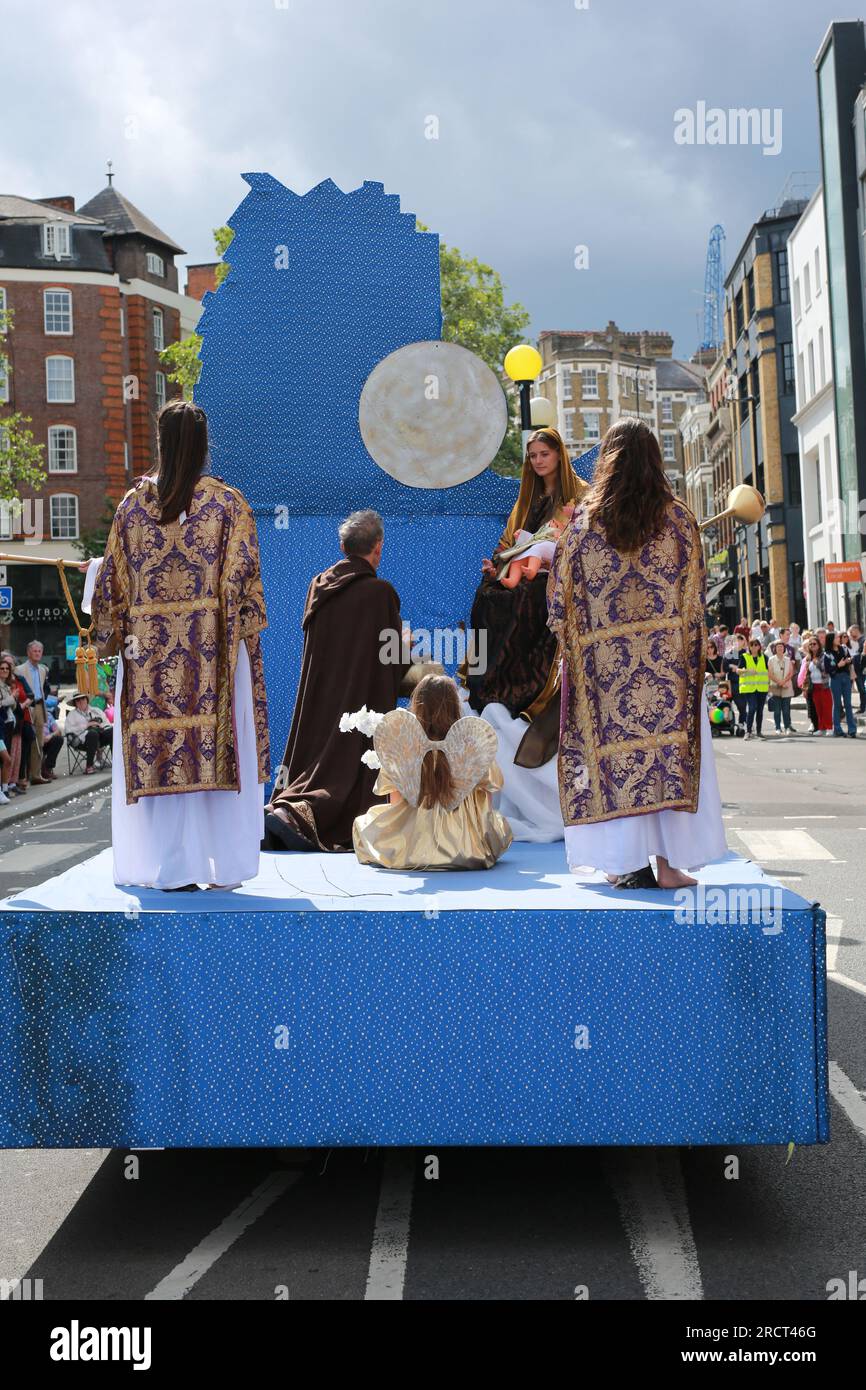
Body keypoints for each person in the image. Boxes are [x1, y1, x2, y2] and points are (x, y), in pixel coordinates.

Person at [86, 398, 269, 890]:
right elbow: (247, 594)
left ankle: (166, 866)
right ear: (205, 445)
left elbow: (110, 591)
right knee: (213, 749)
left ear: (161, 442)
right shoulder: (229, 505)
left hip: (146, 663)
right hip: (213, 660)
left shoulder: (130, 507)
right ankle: (222, 865)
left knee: (158, 753)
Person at [548, 417, 727, 889]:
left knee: (614, 761)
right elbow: (695, 596)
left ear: (607, 460)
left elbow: (559, 602)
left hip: (606, 674)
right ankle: (669, 866)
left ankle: (621, 862)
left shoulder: (583, 524)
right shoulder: (679, 519)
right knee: (668, 761)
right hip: (666, 669)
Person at [465, 427, 589, 843]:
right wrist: (498, 565)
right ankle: (493, 680)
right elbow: (507, 547)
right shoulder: (525, 503)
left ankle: (527, 682)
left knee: (530, 594)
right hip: (524, 579)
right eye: (532, 455)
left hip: (556, 586)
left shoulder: (582, 497)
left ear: (559, 455)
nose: (538, 461)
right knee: (488, 594)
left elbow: (582, 551)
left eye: (544, 454)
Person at [264, 509, 410, 853]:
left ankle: (286, 811)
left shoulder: (319, 586)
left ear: (344, 547)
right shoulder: (379, 592)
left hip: (319, 700)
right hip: (358, 703)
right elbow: (389, 659)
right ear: (377, 547)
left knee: (314, 763)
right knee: (344, 771)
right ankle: (300, 817)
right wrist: (404, 648)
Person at [353, 674, 513, 871]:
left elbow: (395, 802)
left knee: (363, 825)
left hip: (413, 847)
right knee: (500, 826)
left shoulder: (405, 747)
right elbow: (487, 801)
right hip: (468, 849)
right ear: (455, 706)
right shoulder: (472, 745)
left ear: (418, 704)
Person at [14, 640, 51, 785]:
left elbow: (43, 688)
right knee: (27, 741)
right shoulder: (19, 670)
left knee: (39, 742)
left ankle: (36, 775)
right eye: (34, 651)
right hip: (27, 708)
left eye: (39, 651)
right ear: (28, 653)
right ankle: (22, 776)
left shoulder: (43, 669)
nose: (37, 654)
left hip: (40, 706)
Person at [0, 657, 36, 793]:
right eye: (2, 667)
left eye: (8, 667)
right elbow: (3, 703)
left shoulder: (13, 683)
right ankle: (4, 787)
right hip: (3, 725)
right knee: (6, 758)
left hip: (15, 722)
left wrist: (19, 702)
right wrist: (12, 698)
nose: (5, 669)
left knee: (14, 755)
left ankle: (9, 785)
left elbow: (29, 696)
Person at [64, 692, 112, 773]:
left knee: (112, 731)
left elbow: (107, 724)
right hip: (82, 741)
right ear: (75, 703)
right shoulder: (72, 715)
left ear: (87, 700)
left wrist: (100, 726)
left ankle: (116, 760)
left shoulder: (96, 710)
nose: (81, 701)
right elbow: (68, 730)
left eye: (83, 699)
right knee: (92, 733)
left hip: (100, 737)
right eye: (78, 700)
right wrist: (87, 725)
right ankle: (89, 766)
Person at [822, 631, 857, 738]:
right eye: (837, 637)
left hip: (846, 678)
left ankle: (852, 729)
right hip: (835, 679)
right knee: (837, 704)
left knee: (848, 704)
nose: (839, 638)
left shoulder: (844, 648)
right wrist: (838, 665)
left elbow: (850, 660)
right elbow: (828, 670)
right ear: (831, 640)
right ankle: (837, 729)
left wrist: (848, 660)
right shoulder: (827, 654)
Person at [800, 636, 832, 733]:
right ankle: (821, 728)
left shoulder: (824, 656)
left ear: (819, 645)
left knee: (826, 707)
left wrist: (817, 663)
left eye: (814, 644)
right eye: (810, 644)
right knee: (818, 708)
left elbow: (826, 670)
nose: (812, 646)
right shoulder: (809, 658)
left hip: (824, 685)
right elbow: (807, 674)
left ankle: (829, 728)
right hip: (814, 686)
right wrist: (805, 689)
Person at [738, 636, 769, 739]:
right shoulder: (744, 656)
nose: (754, 647)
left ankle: (759, 732)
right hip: (749, 688)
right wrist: (747, 671)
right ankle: (748, 731)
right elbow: (738, 671)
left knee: (760, 710)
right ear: (749, 647)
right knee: (752, 708)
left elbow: (769, 672)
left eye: (756, 645)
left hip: (761, 688)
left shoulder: (764, 657)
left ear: (759, 646)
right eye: (752, 645)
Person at [767, 640, 795, 735]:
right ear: (775, 649)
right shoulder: (771, 659)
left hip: (787, 686)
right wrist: (779, 682)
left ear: (784, 649)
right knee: (777, 710)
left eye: (781, 647)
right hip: (775, 686)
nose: (780, 648)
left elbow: (791, 672)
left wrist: (784, 682)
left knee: (786, 709)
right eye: (778, 647)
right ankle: (778, 727)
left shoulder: (788, 659)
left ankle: (787, 727)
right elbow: (770, 674)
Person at [40, 707, 65, 779]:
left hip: (47, 740)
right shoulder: (32, 714)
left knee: (59, 739)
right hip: (35, 741)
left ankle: (47, 768)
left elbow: (58, 731)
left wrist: (50, 736)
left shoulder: (48, 715)